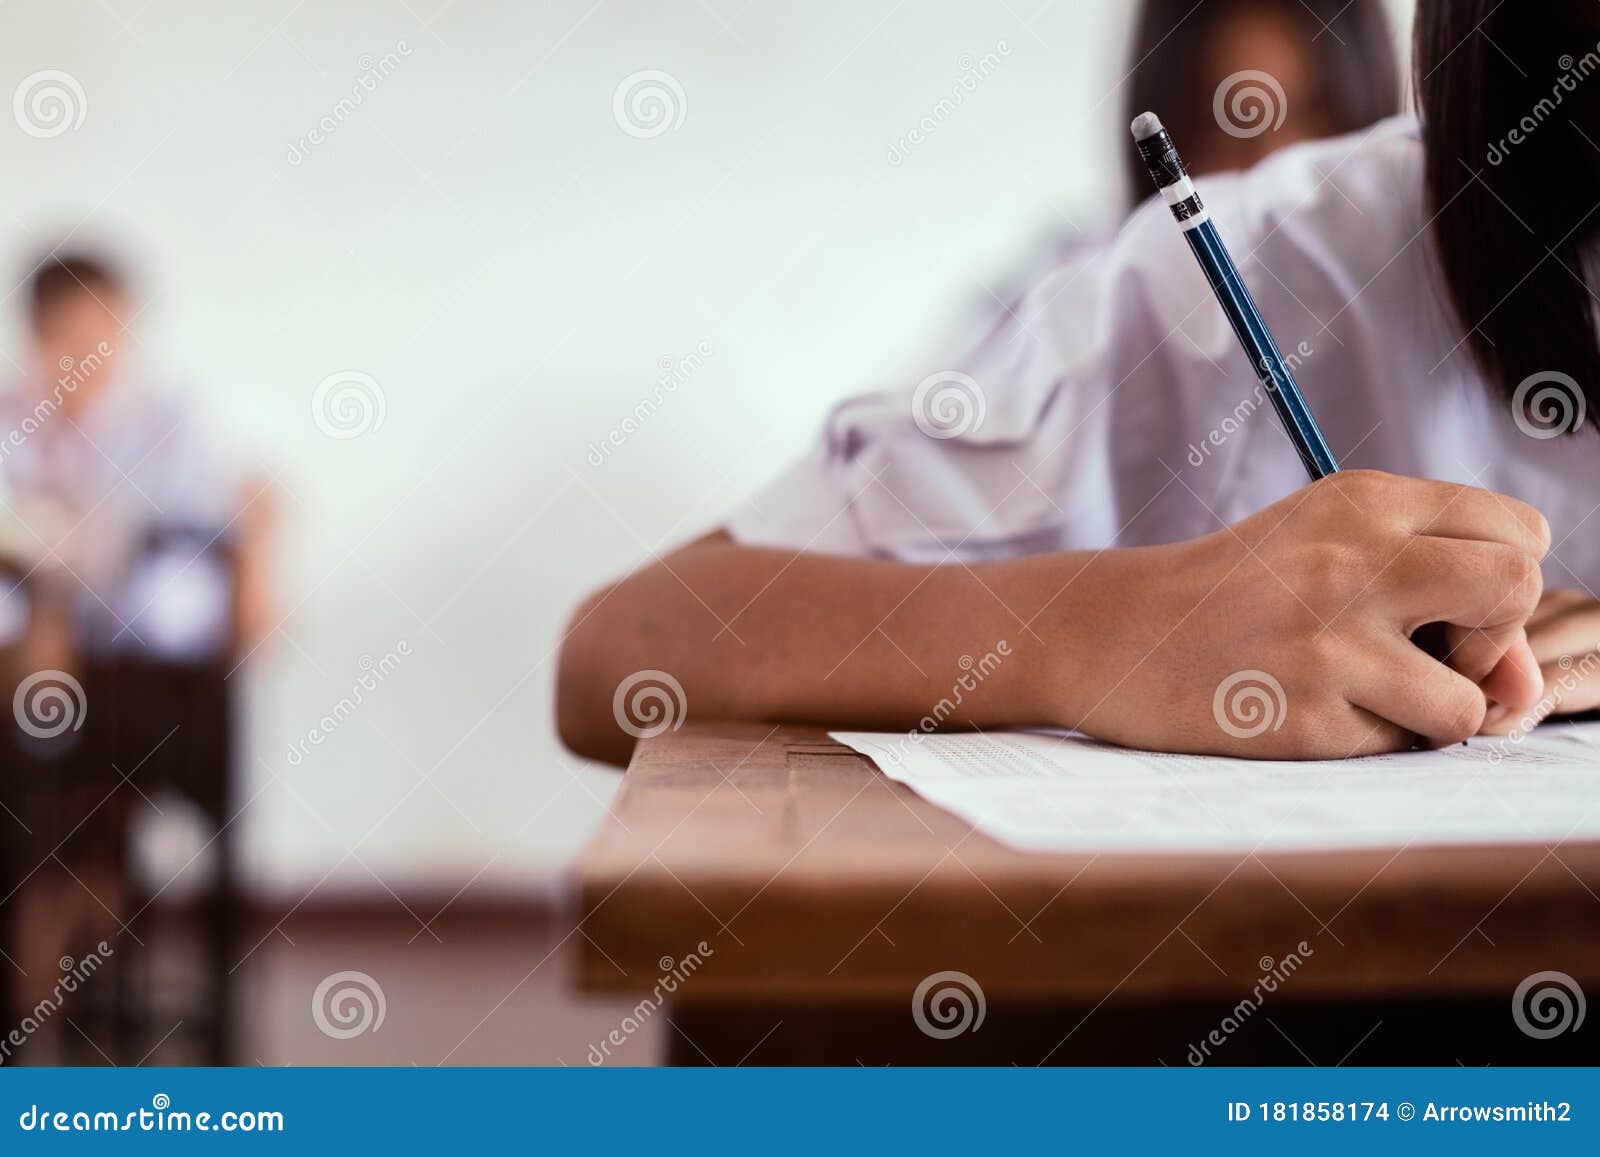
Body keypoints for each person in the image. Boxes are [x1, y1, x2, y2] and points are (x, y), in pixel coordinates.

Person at [556, 0, 1600, 768]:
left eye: (1306, 111)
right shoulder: (1222, 275)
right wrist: (1110, 627)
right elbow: (620, 650)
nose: (1261, 153)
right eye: (1225, 121)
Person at [0, 251, 275, 662]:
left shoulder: (171, 417)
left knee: (170, 602)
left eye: (97, 335)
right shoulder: (11, 416)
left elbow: (255, 495)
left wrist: (258, 578)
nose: (86, 355)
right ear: (36, 333)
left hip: (134, 599)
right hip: (27, 594)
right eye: (66, 336)